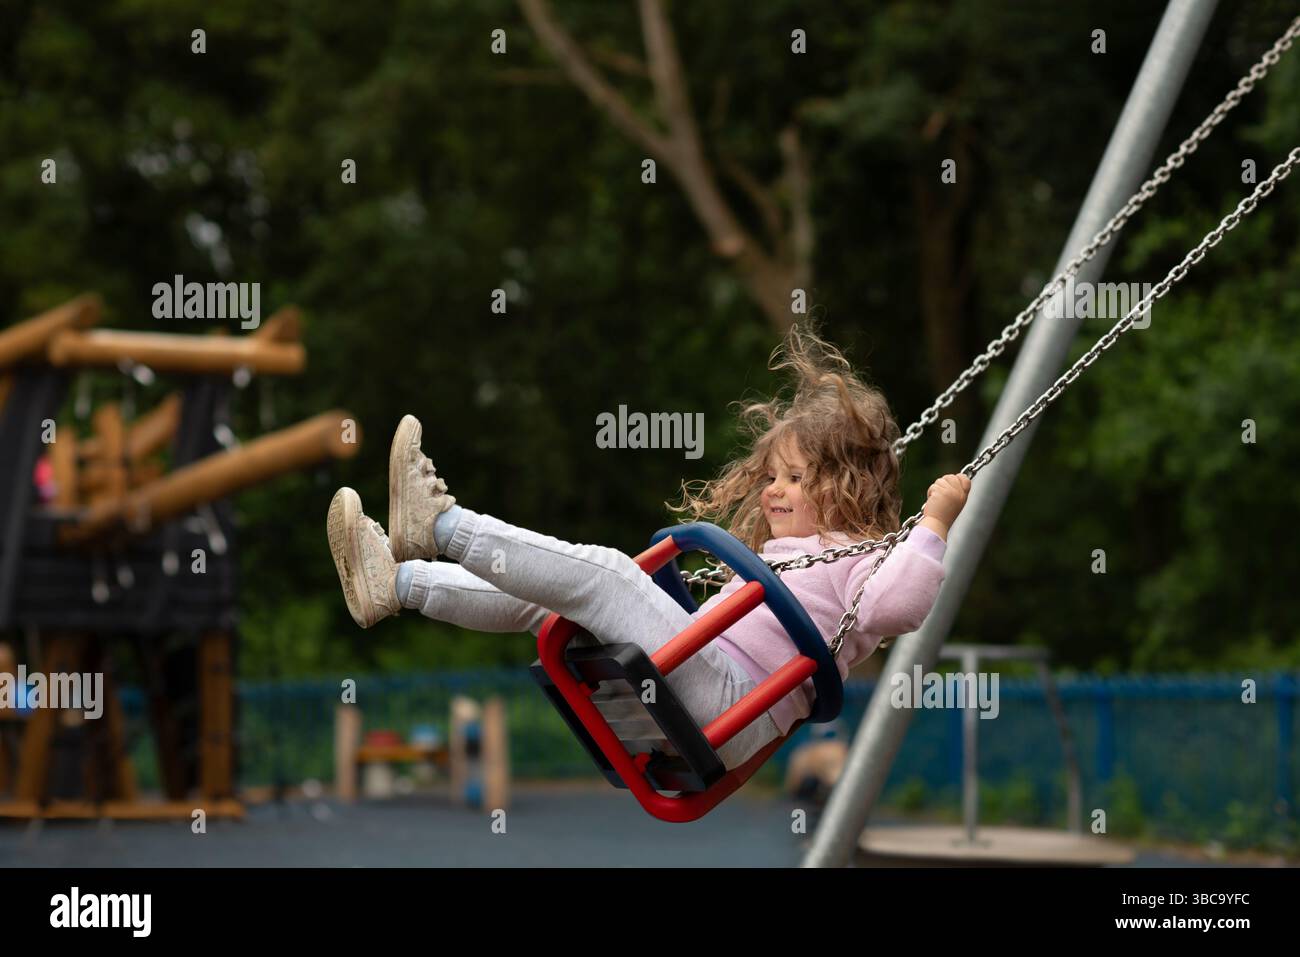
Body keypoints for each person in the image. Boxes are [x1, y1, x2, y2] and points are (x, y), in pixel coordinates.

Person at [326, 327, 971, 769]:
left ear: (846, 486)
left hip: (727, 704)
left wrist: (935, 522)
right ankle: (400, 582)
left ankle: (441, 525)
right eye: (771, 476)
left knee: (606, 575)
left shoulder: (861, 556)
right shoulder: (799, 553)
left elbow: (904, 605)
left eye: (795, 479)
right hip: (705, 685)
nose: (773, 492)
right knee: (551, 605)